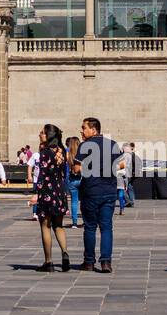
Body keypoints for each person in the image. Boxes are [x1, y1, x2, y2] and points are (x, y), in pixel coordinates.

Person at [73, 117, 123, 273]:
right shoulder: (112, 144)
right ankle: (106, 262)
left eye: (84, 128)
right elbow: (122, 164)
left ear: (93, 130)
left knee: (90, 228)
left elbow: (76, 169)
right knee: (107, 228)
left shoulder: (84, 146)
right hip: (108, 191)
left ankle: (88, 262)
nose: (81, 131)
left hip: (91, 191)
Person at [33, 124, 71, 272]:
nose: (39, 134)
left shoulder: (45, 152)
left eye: (42, 133)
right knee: (59, 225)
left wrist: (36, 192)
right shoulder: (62, 151)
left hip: (47, 191)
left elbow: (42, 174)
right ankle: (65, 252)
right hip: (59, 191)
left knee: (45, 225)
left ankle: (48, 261)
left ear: (48, 135)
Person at [65, 136, 82, 226]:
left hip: (72, 179)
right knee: (84, 201)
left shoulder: (68, 153)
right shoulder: (82, 152)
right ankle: (86, 220)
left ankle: (74, 222)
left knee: (74, 201)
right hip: (82, 178)